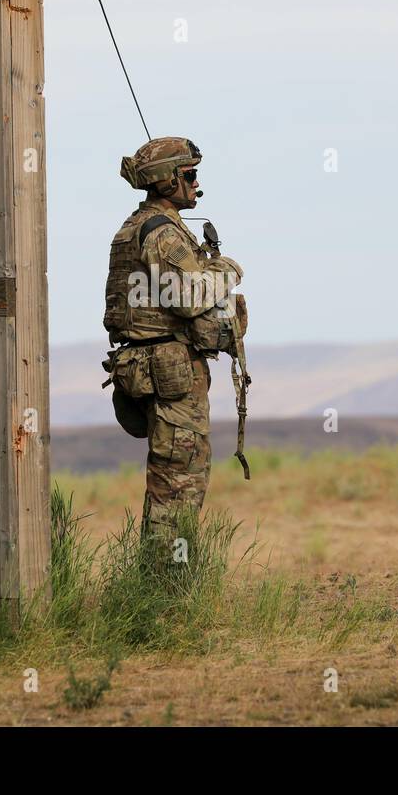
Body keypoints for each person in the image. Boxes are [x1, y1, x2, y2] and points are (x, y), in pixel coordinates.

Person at [102, 137, 245, 559]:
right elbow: (186, 297)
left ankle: (165, 582)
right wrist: (227, 269)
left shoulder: (136, 227)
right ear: (167, 181)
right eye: (189, 175)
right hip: (170, 374)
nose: (196, 183)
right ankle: (169, 587)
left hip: (155, 369)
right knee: (179, 483)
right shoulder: (162, 233)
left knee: (173, 478)